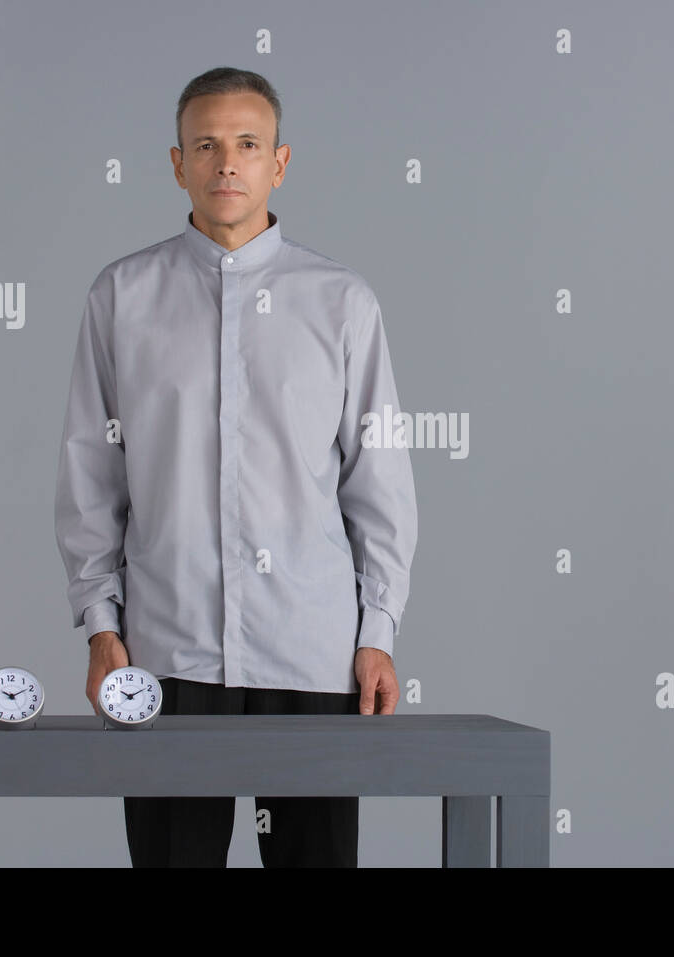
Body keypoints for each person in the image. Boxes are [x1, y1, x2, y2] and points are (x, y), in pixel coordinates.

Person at [53, 67, 418, 867]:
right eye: (207, 144)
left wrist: (378, 631)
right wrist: (102, 626)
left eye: (247, 145)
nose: (227, 162)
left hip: (311, 653)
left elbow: (379, 482)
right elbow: (91, 474)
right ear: (176, 163)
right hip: (167, 651)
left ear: (278, 163)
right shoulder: (120, 296)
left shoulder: (342, 302)